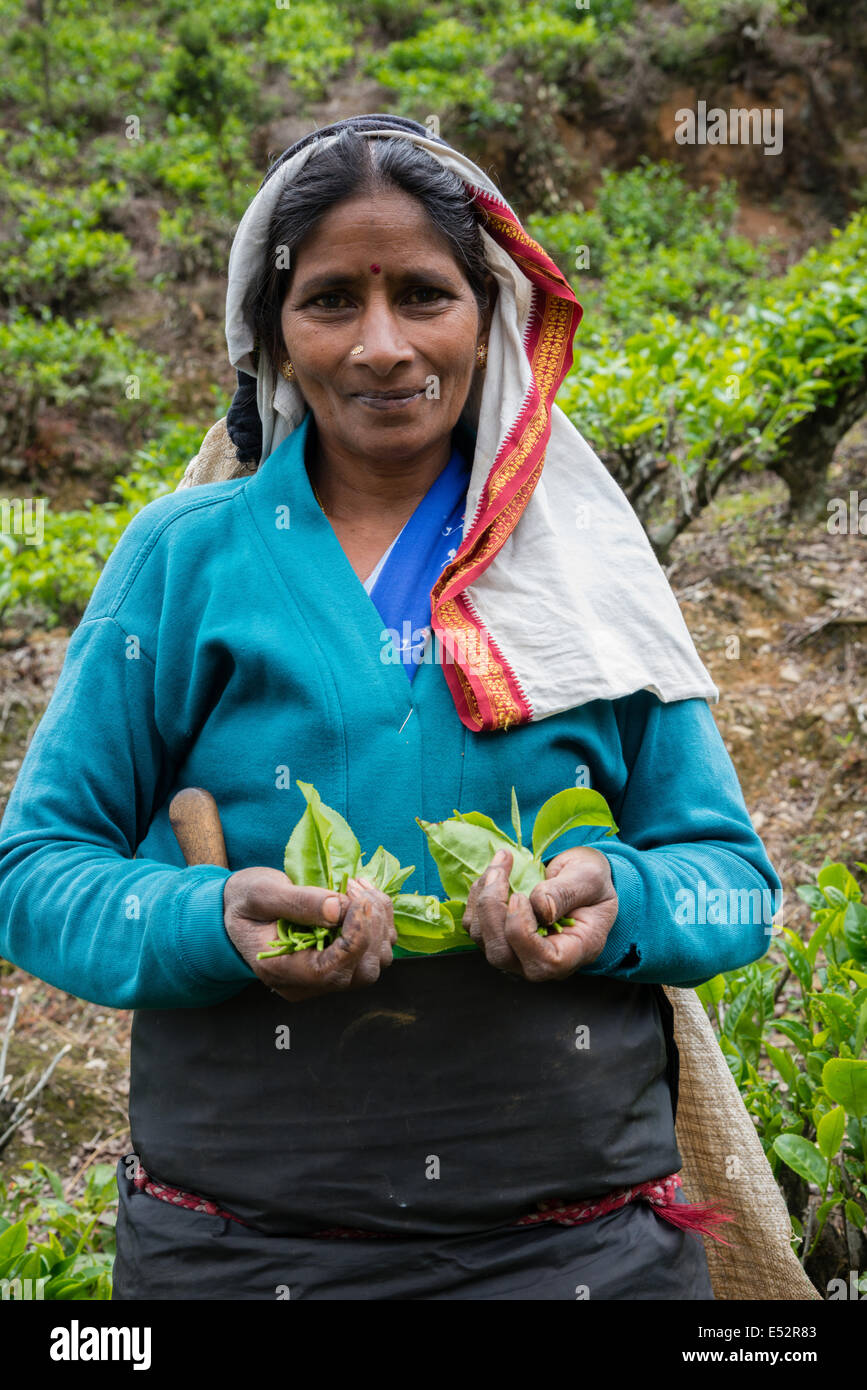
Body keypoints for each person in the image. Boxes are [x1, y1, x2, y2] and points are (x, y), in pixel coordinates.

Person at [0, 115, 782, 1300]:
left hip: (579, 1252)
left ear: (492, 317)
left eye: (423, 294)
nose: (380, 346)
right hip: (239, 1250)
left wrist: (619, 898)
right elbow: (33, 874)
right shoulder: (185, 560)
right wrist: (213, 922)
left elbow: (733, 884)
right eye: (329, 301)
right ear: (273, 329)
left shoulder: (584, 564)